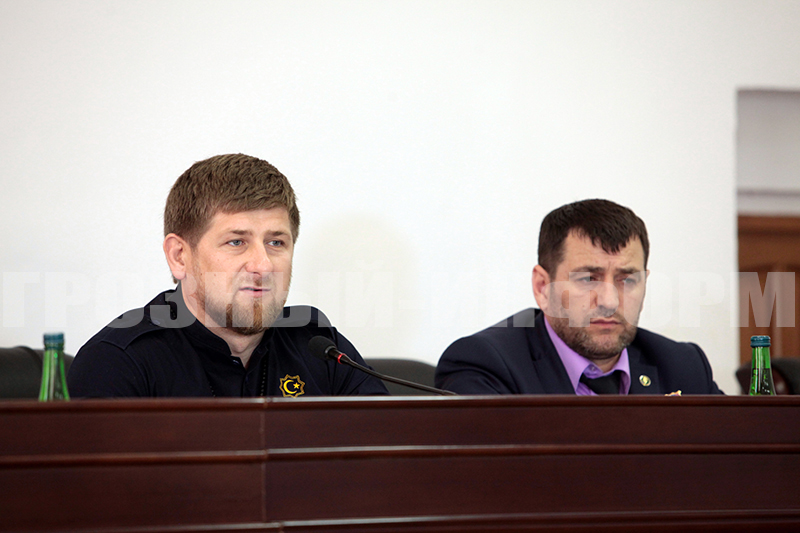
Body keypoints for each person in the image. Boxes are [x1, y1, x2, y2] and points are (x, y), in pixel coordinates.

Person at [68, 154, 388, 397]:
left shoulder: (320, 348)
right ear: (179, 256)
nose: (263, 265)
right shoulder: (118, 363)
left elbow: (389, 453)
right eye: (237, 242)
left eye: (276, 242)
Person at [435, 199, 723, 395]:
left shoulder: (682, 366)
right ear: (543, 287)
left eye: (627, 280)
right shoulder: (487, 365)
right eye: (588, 279)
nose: (609, 301)